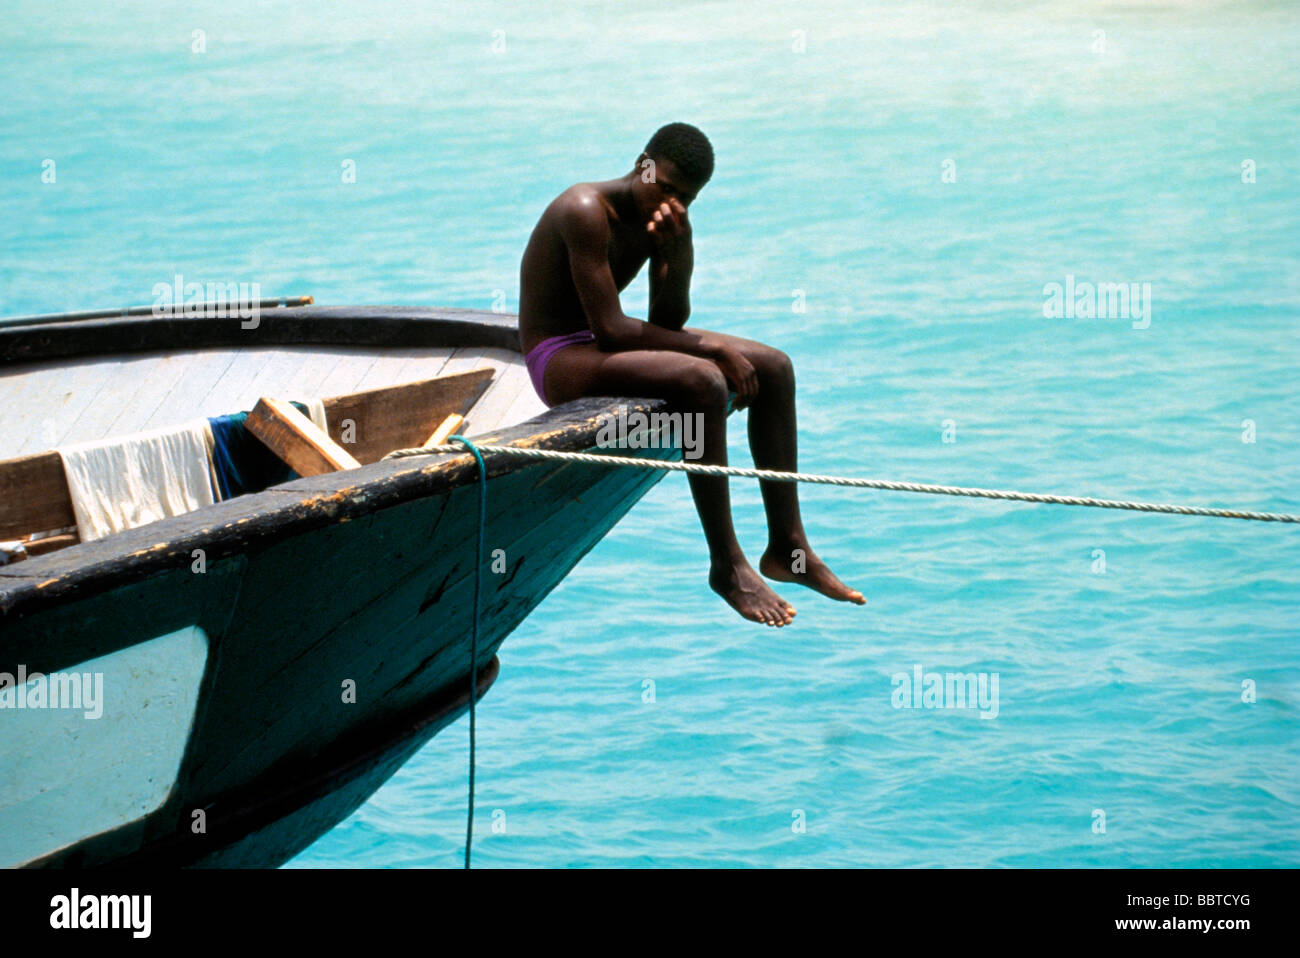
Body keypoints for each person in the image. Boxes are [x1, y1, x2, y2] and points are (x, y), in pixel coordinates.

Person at [518, 122, 864, 627]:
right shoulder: (584, 210)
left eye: (688, 198)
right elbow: (612, 330)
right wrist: (715, 349)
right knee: (702, 380)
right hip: (559, 356)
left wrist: (680, 252)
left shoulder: (664, 220)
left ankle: (789, 546)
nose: (674, 202)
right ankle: (727, 565)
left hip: (600, 343)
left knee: (775, 367)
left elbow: (665, 322)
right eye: (667, 187)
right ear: (644, 165)